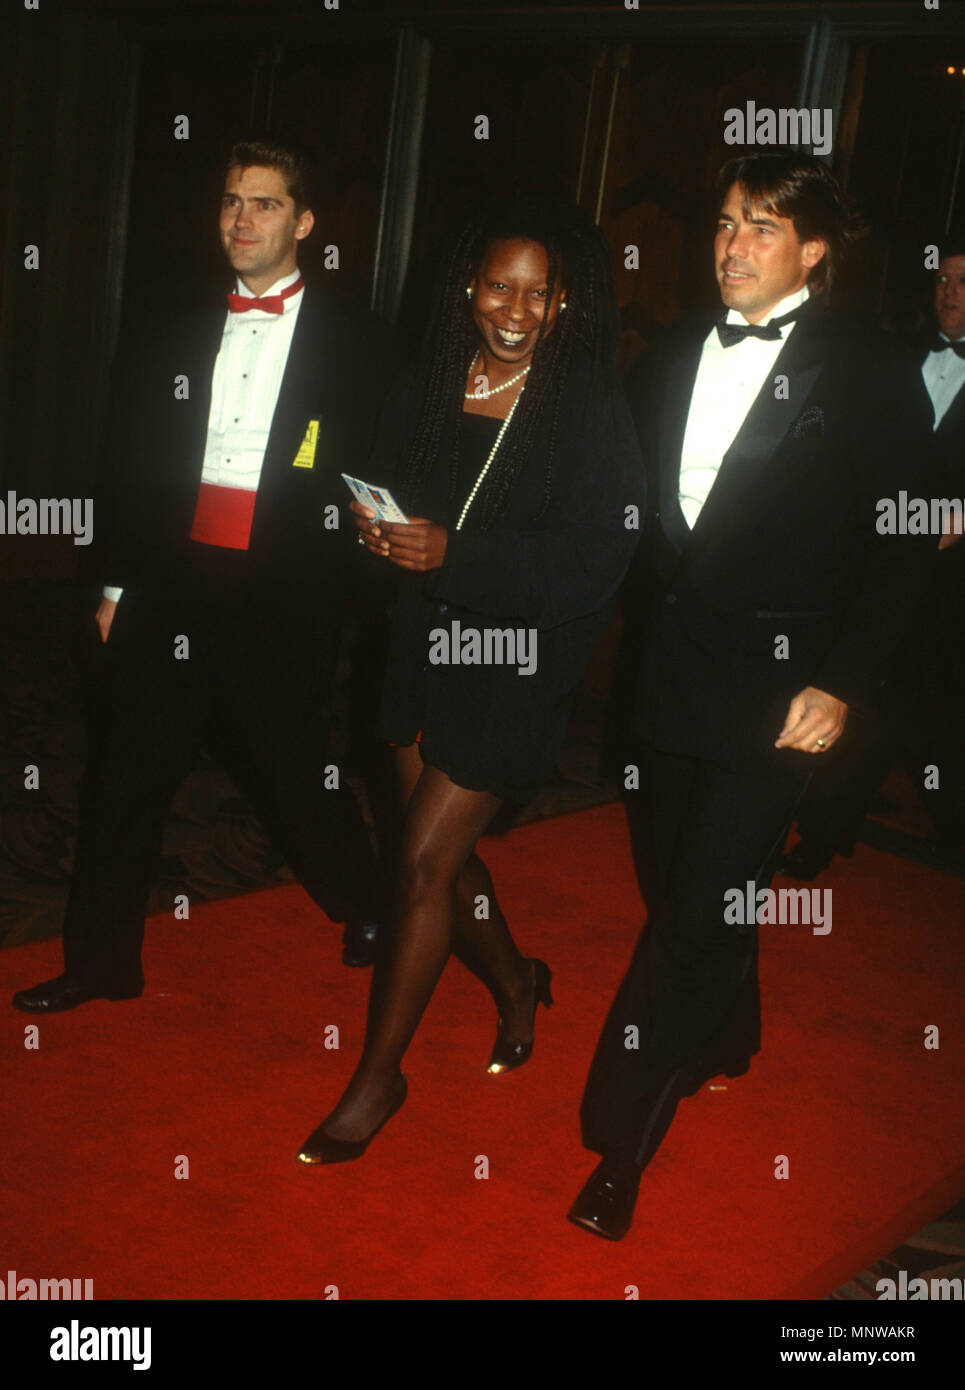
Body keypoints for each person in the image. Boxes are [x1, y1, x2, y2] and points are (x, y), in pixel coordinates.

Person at [570, 153, 936, 1240]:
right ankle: (729, 1034)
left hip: (782, 696)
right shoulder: (672, 350)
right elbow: (620, 507)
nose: (730, 245)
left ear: (812, 252)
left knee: (693, 911)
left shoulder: (868, 372)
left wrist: (843, 682)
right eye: (725, 223)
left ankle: (620, 1134)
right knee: (682, 883)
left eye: (759, 230)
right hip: (666, 678)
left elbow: (906, 547)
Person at [295, 191, 643, 1164]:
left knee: (417, 866)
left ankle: (377, 1077)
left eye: (540, 293)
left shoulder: (588, 412)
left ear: (565, 302)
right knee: (440, 856)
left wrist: (453, 556)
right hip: (418, 644)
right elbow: (376, 480)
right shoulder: (428, 379)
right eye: (501, 285)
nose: (518, 309)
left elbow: (592, 567)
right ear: (468, 287)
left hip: (513, 661)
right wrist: (373, 530)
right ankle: (518, 977)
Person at [13, 136, 395, 1015]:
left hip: (282, 587)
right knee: (124, 773)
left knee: (290, 769)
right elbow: (129, 457)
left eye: (264, 203)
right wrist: (113, 587)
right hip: (167, 576)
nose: (242, 220)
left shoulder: (359, 340)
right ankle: (101, 962)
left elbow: (372, 466)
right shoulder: (167, 316)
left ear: (303, 220)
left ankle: (367, 905)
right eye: (230, 201)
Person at [780, 233, 965, 877]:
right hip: (878, 560)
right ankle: (820, 833)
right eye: (943, 279)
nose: (950, 293)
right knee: (851, 690)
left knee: (928, 713)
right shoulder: (896, 354)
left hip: (952, 580)